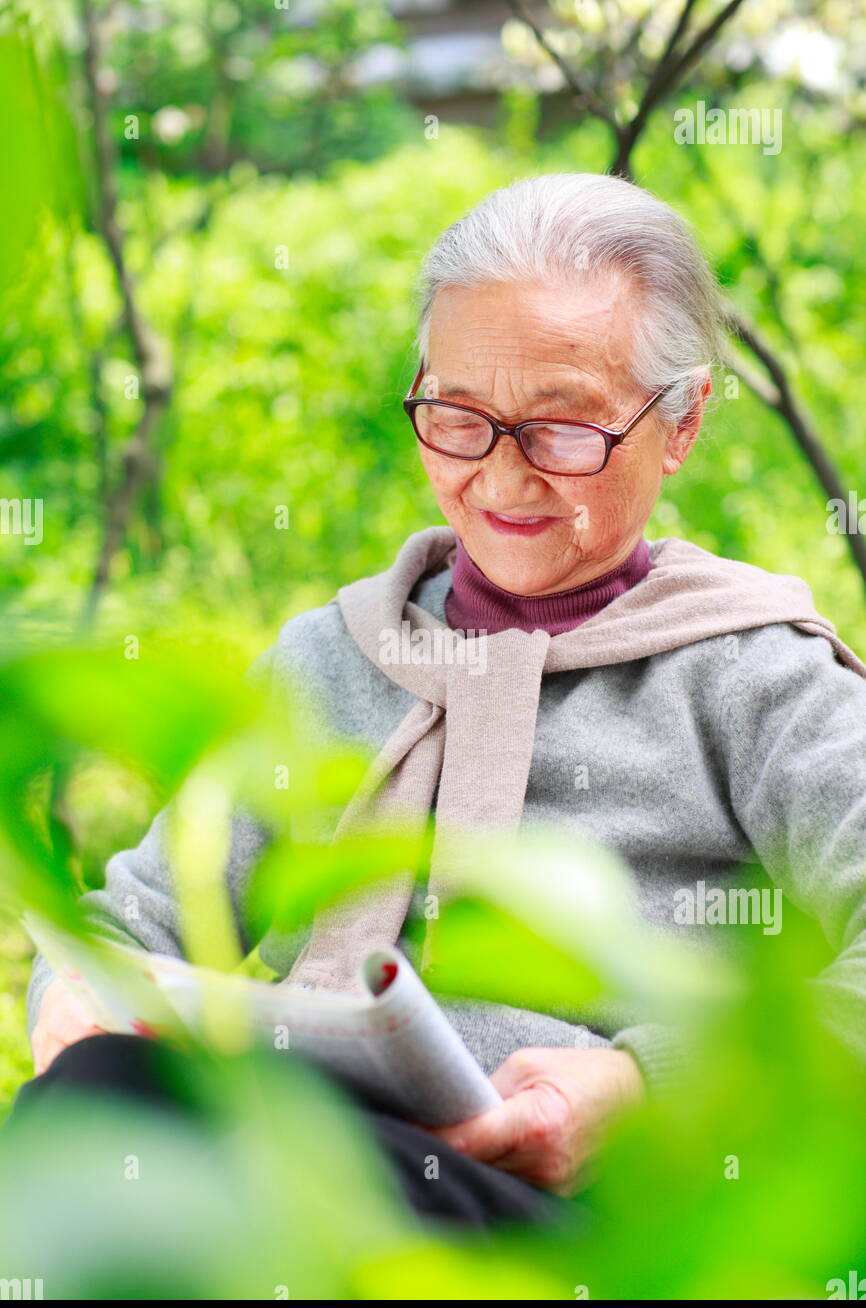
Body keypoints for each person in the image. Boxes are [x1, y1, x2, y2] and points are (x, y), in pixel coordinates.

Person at [20, 172, 866, 1220]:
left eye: (563, 432)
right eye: (457, 417)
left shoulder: (755, 677)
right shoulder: (326, 660)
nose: (502, 483)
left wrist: (648, 1084)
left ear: (681, 422)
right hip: (305, 1161)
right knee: (97, 1100)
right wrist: (74, 1000)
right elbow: (133, 925)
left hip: (601, 1223)